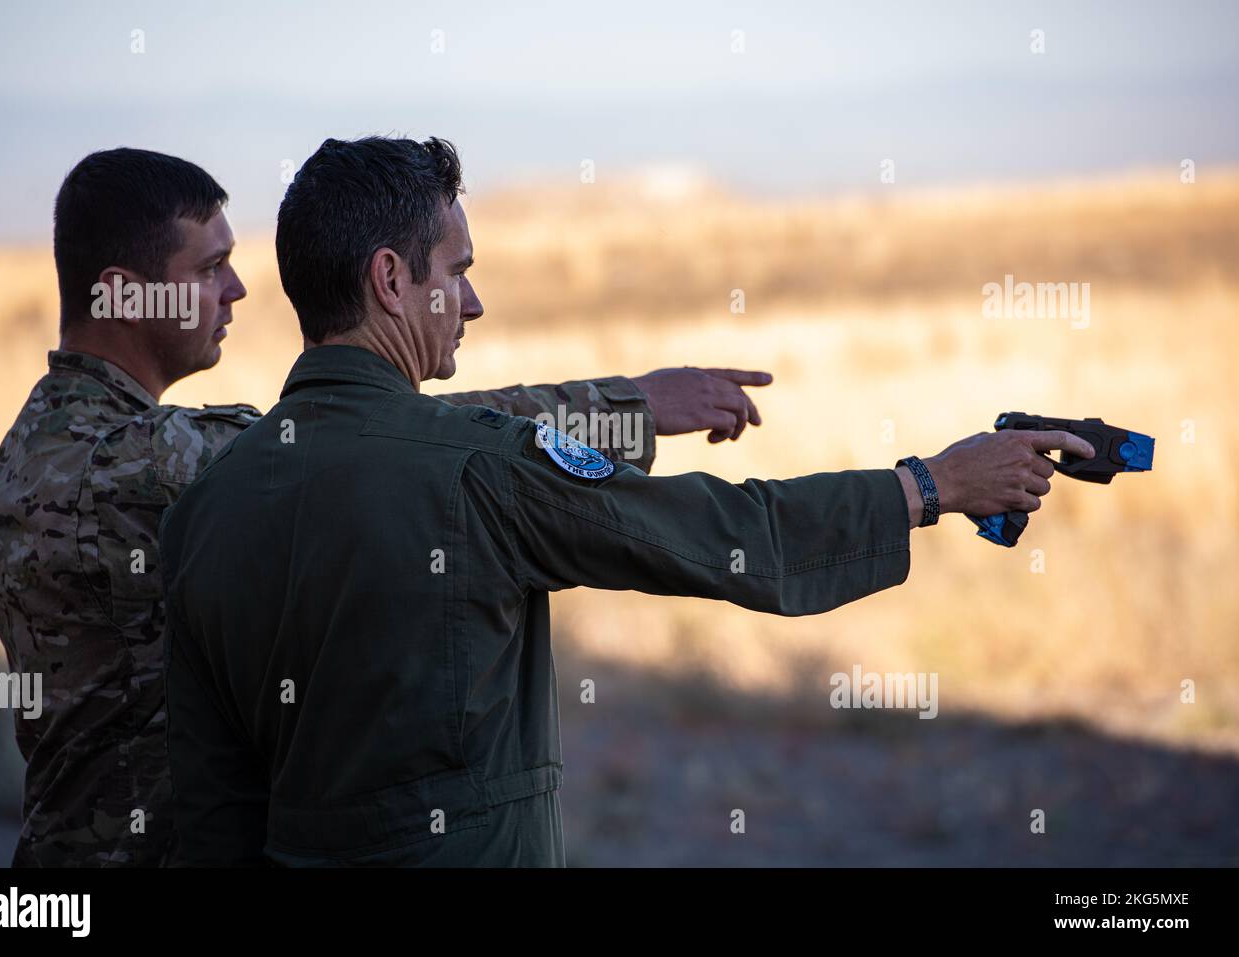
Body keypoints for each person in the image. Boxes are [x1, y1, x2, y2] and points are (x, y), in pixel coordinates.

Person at [159, 135, 1096, 866]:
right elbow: (722, 534)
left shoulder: (209, 506)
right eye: (457, 271)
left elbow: (211, 819)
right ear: (391, 281)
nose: (473, 303)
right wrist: (927, 487)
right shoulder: (481, 469)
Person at [0, 147, 772, 867]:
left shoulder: (17, 461)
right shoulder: (141, 464)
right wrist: (626, 406)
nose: (238, 288)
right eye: (208, 267)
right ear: (119, 295)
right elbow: (401, 440)